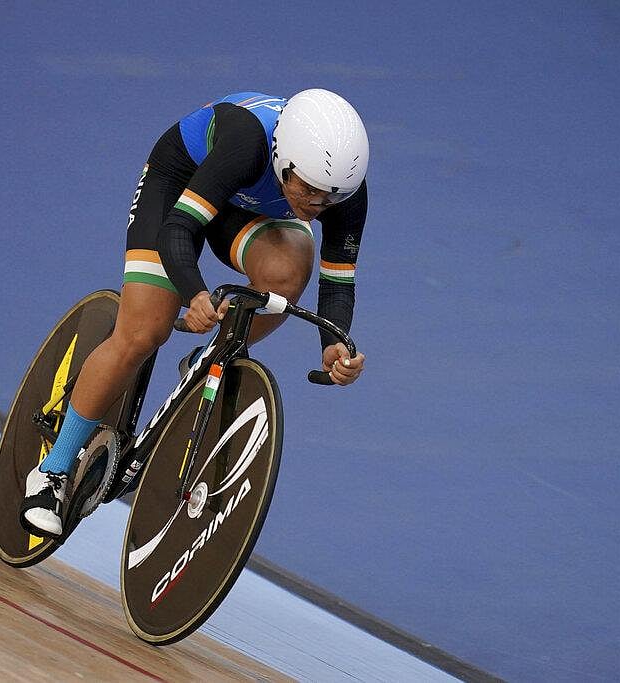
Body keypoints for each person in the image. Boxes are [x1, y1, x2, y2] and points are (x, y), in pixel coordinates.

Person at [20, 89, 369, 536]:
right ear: (285, 162)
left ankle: (209, 358)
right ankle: (52, 470)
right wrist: (196, 293)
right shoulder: (247, 142)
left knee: (289, 269)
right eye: (310, 192)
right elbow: (178, 229)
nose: (317, 207)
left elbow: (338, 281)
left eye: (329, 200)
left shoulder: (343, 190)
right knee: (144, 332)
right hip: (178, 187)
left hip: (245, 205)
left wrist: (334, 342)